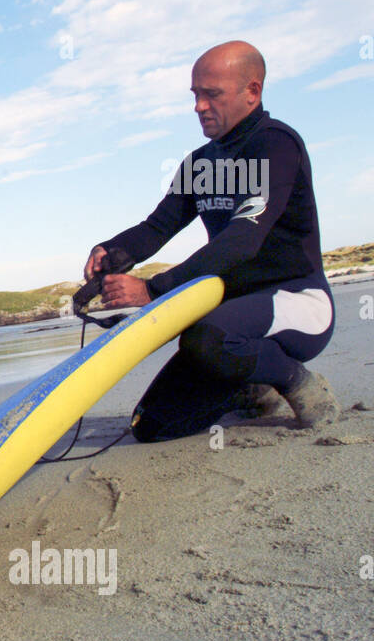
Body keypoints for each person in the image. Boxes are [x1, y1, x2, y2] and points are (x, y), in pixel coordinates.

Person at [86, 40, 338, 442]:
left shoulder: (276, 144)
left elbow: (243, 240)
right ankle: (249, 383)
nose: (199, 106)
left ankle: (294, 380)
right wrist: (112, 252)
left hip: (296, 303)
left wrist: (153, 289)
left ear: (252, 92)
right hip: (230, 314)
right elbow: (156, 227)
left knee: (207, 339)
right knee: (152, 426)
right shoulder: (201, 162)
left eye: (212, 94)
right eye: (195, 94)